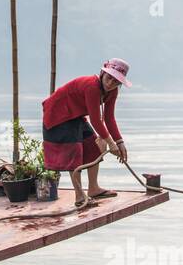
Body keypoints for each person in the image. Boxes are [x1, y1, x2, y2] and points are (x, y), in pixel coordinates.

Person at [41, 59, 131, 208]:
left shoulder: (112, 91)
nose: (111, 84)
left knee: (93, 146)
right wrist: (111, 144)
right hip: (58, 115)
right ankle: (79, 195)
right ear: (102, 74)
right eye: (109, 78)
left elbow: (109, 118)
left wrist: (120, 142)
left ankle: (93, 188)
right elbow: (96, 120)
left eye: (116, 82)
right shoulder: (92, 86)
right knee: (74, 153)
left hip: (75, 115)